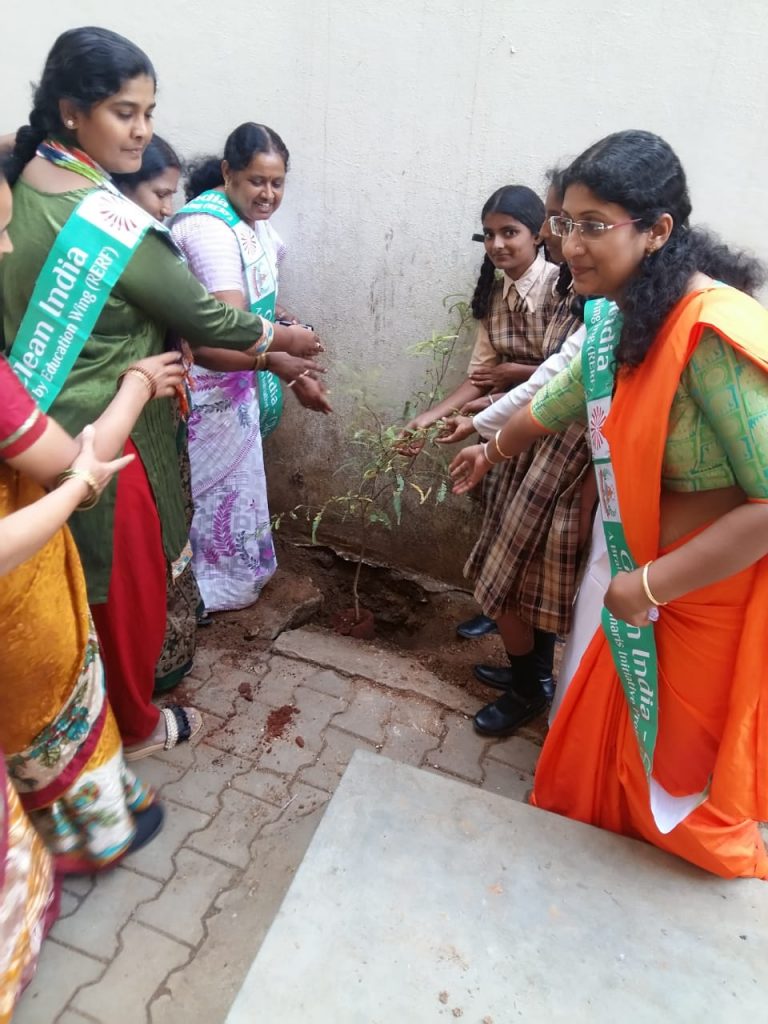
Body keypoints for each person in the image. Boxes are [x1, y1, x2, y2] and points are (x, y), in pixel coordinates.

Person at [450, 129, 768, 879]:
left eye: (593, 226)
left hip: (692, 598)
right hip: (629, 573)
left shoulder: (714, 334)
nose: (568, 245)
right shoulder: (621, 316)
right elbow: (561, 399)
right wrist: (489, 448)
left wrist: (650, 585)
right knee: (602, 736)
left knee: (673, 768)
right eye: (566, 224)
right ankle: (598, 856)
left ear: (658, 230)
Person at [0, 27, 321, 760]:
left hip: (30, 420)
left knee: (67, 586)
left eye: (148, 110)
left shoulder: (24, 184)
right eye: (124, 111)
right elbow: (203, 315)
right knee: (123, 592)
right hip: (109, 435)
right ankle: (132, 728)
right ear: (70, 111)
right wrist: (275, 343)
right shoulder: (104, 216)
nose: (142, 130)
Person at [438, 170, 594, 734]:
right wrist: (473, 427)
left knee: (509, 581)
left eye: (572, 224)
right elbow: (549, 378)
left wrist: (480, 428)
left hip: (556, 453)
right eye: (562, 223)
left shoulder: (575, 290)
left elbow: (554, 381)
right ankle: (532, 676)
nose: (562, 239)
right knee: (520, 581)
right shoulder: (574, 289)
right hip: (525, 441)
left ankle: (531, 685)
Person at [171, 122, 332, 612]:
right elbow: (220, 332)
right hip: (205, 395)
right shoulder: (207, 229)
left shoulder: (249, 223)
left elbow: (258, 308)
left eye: (277, 182)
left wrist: (283, 325)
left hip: (235, 392)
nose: (268, 194)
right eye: (257, 181)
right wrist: (283, 356)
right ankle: (198, 596)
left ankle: (232, 583)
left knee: (235, 494)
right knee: (205, 499)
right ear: (227, 173)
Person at [406, 185, 559, 645]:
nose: (497, 245)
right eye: (489, 234)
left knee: (533, 545)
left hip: (548, 431)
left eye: (509, 232)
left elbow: (573, 369)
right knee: (496, 526)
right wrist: (432, 415)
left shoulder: (562, 286)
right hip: (500, 427)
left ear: (538, 234)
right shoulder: (495, 295)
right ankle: (499, 611)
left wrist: (519, 372)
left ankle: (530, 656)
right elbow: (482, 376)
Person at [114, 135, 206, 691]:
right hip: (134, 426)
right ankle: (152, 672)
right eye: (159, 193)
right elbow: (210, 320)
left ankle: (171, 656)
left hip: (163, 416)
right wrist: (274, 348)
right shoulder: (122, 250)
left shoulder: (152, 241)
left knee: (176, 527)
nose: (168, 207)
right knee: (157, 542)